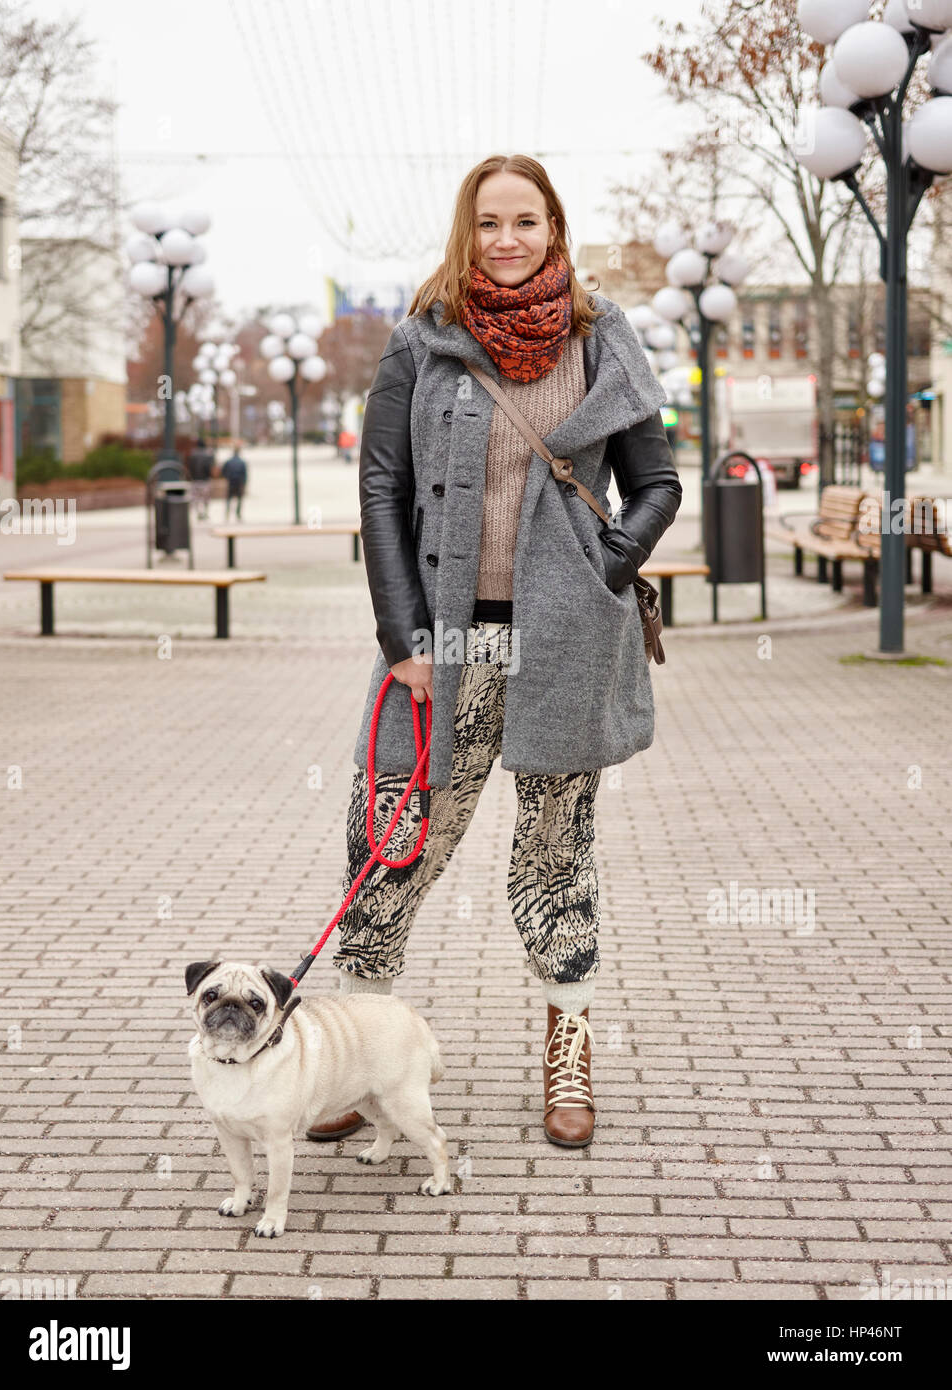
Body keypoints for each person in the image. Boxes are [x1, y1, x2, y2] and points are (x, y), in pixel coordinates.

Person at [307, 154, 682, 1150]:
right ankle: (351, 1048)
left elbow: (657, 482)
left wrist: (610, 561)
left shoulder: (604, 338)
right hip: (442, 641)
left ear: (555, 227)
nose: (507, 240)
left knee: (555, 855)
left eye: (526, 220)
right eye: (489, 223)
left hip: (564, 641)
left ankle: (567, 1049)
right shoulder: (421, 342)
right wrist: (401, 638)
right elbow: (381, 493)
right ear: (465, 232)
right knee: (392, 838)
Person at [185, 437, 215, 520]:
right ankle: (205, 512)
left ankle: (199, 513)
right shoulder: (208, 454)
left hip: (195, 480)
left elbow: (189, 467)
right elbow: (210, 468)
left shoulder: (192, 454)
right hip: (205, 480)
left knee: (196, 498)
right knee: (206, 498)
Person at [221, 442, 248, 520]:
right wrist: (244, 483)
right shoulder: (242, 462)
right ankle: (238, 513)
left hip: (231, 482)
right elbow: (245, 474)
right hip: (239, 482)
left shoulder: (229, 461)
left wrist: (227, 477)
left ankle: (227, 513)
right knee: (239, 499)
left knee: (229, 499)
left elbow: (223, 471)